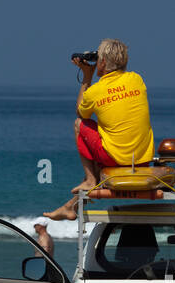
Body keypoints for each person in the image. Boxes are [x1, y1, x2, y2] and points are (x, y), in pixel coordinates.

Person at [45, 38, 154, 220]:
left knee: (79, 125)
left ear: (102, 62)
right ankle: (70, 206)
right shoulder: (137, 79)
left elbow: (81, 113)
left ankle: (89, 180)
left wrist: (87, 75)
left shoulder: (96, 91)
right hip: (142, 160)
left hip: (115, 159)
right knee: (104, 148)